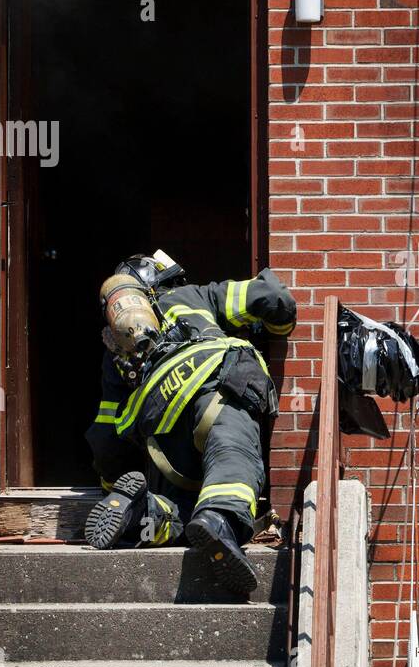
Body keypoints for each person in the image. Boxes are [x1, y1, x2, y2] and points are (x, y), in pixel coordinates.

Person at [83, 250, 295, 594]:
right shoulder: (193, 296)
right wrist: (278, 327)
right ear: (162, 281)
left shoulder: (116, 354)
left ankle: (140, 512)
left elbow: (105, 437)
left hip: (158, 432)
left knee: (179, 508)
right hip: (214, 386)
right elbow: (274, 298)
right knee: (232, 455)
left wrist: (111, 482)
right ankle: (222, 517)